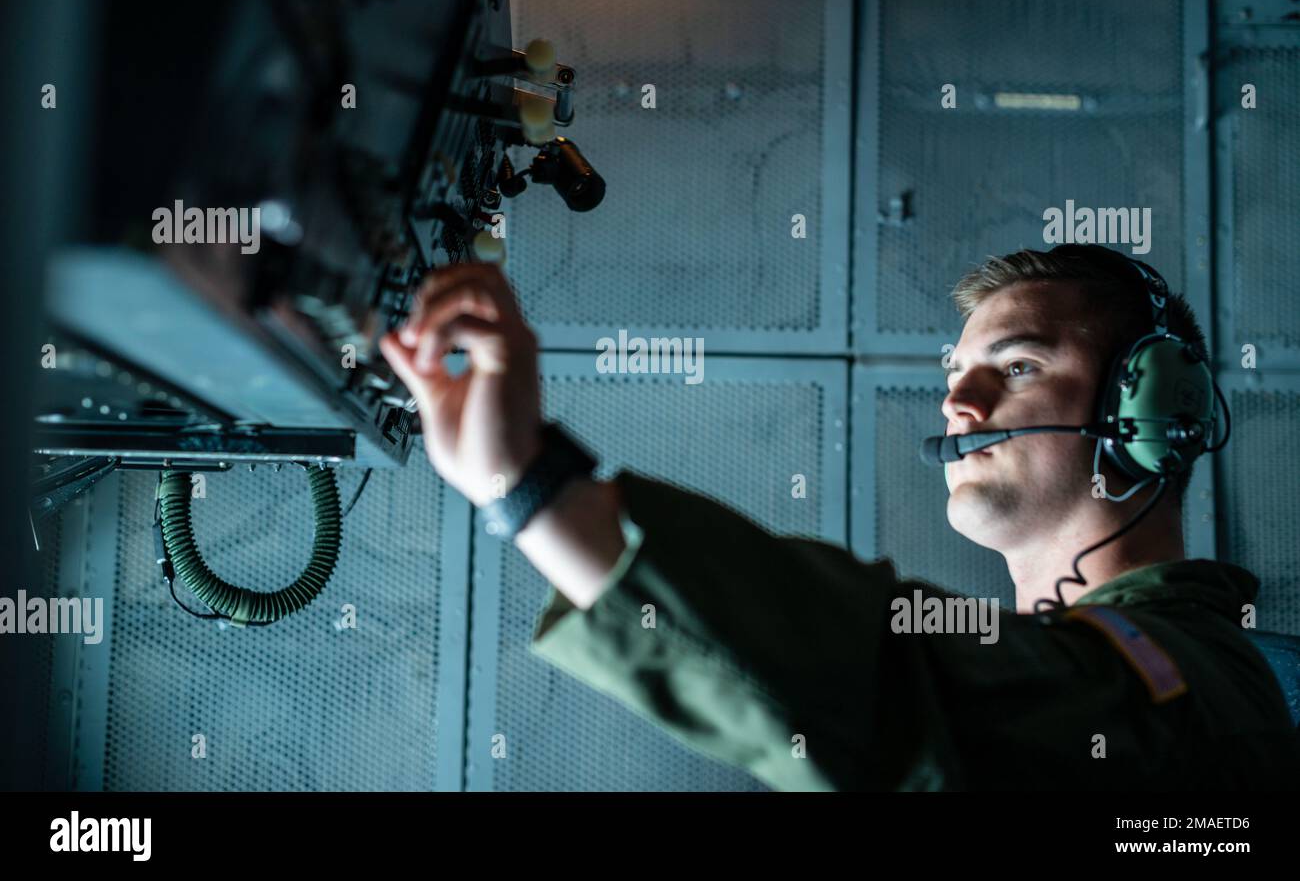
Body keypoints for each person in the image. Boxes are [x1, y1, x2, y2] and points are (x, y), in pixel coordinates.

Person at [378, 247, 1299, 790]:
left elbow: (906, 691)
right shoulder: (1121, 665)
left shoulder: (1192, 679)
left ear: (1150, 410)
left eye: (1017, 368)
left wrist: (532, 483)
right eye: (953, 379)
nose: (958, 405)